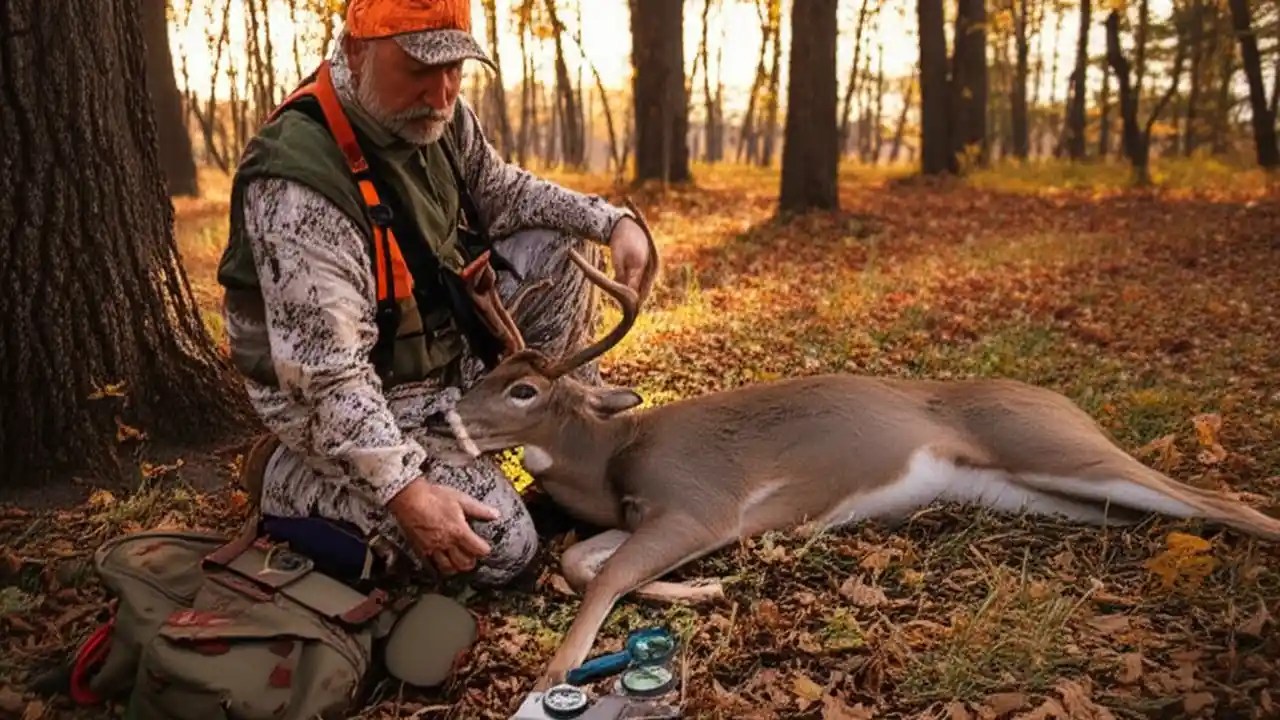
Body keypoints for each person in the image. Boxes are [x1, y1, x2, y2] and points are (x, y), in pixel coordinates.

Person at [216, 0, 654, 591]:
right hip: (349, 398)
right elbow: (328, 378)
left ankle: (566, 439)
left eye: (454, 68)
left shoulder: (437, 119)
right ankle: (288, 475)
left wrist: (611, 222)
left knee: (560, 239)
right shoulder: (300, 184)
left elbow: (502, 192)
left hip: (438, 356)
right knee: (503, 548)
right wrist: (406, 492)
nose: (441, 92)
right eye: (420, 69)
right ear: (356, 51)